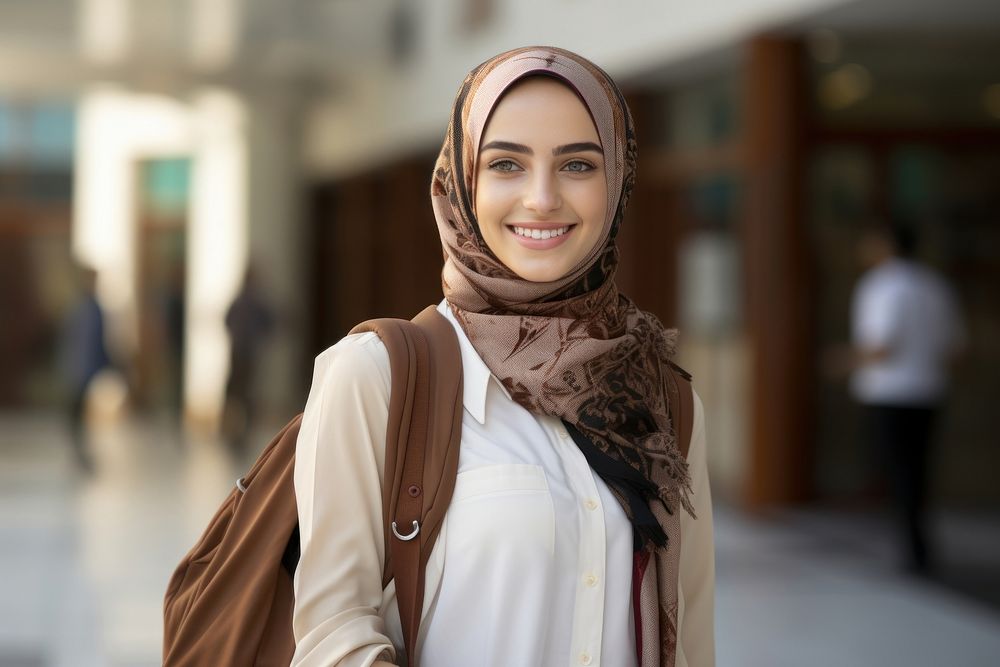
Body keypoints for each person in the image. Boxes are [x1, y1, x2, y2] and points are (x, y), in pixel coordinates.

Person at [291, 47, 715, 667]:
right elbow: (333, 636)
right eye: (507, 164)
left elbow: (693, 637)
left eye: (577, 164)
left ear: (617, 181)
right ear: (462, 181)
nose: (542, 198)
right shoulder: (376, 376)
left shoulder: (664, 401)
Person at [848, 223, 965, 574]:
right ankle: (917, 544)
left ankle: (911, 550)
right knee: (918, 469)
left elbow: (881, 345)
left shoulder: (882, 285)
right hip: (928, 388)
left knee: (898, 471)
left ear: (884, 244)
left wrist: (845, 361)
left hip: (891, 391)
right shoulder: (936, 284)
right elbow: (956, 348)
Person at [62, 263, 111, 473]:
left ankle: (80, 453)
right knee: (75, 414)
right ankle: (79, 453)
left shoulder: (86, 306)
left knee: (78, 414)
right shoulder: (87, 307)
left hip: (80, 368)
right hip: (80, 369)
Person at [223, 263, 276, 452]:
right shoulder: (249, 302)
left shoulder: (246, 302)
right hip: (243, 353)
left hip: (242, 353)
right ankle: (234, 432)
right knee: (239, 394)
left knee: (240, 394)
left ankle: (238, 433)